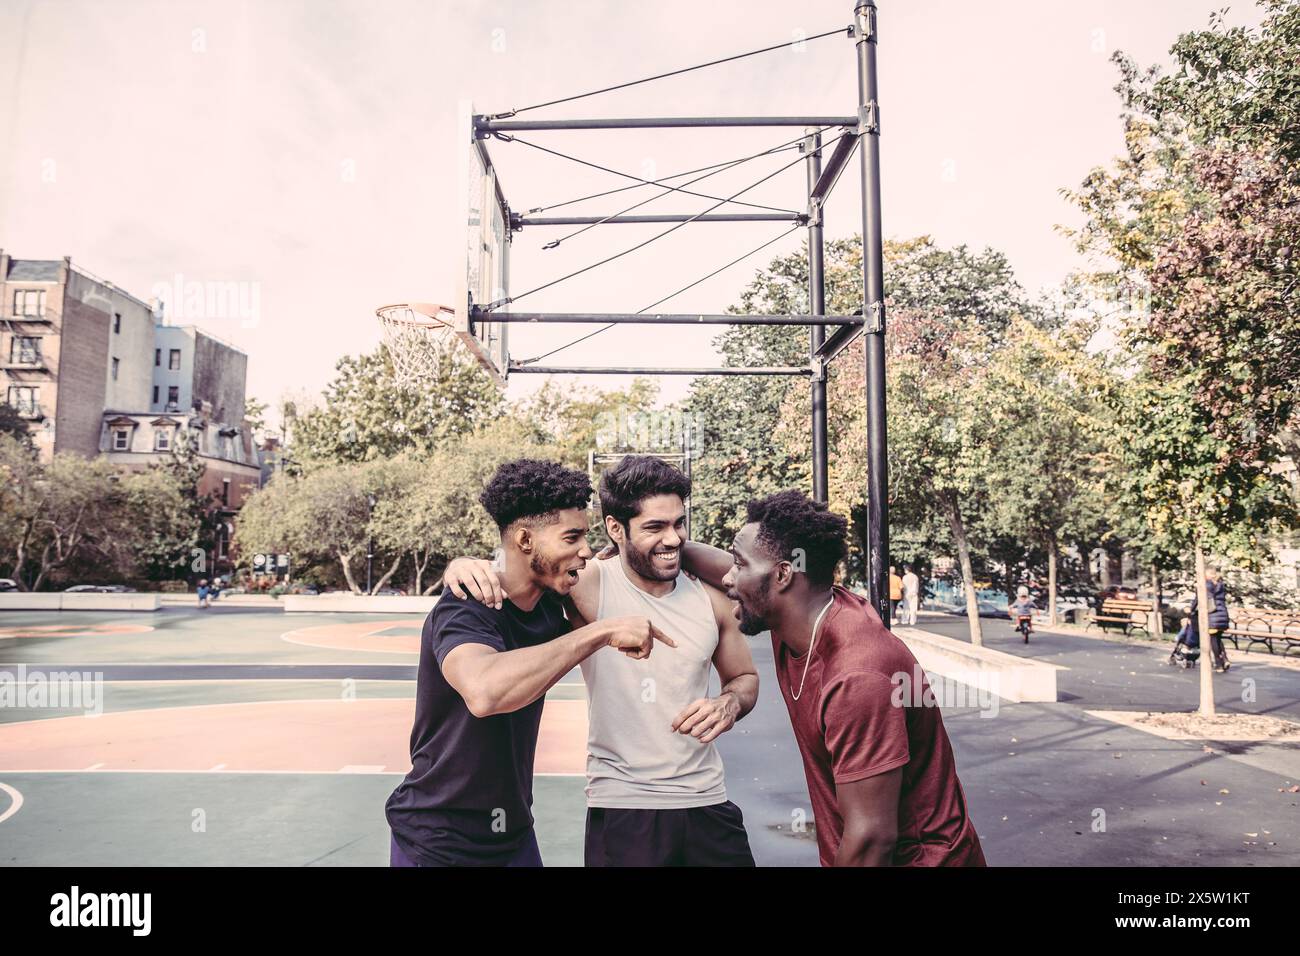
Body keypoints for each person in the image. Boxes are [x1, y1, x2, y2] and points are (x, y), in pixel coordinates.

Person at [443, 455, 759, 867]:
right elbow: (529, 563)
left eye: (679, 523)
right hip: (625, 804)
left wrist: (729, 702)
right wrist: (465, 564)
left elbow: (744, 676)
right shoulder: (583, 582)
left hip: (708, 801)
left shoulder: (711, 597)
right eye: (654, 527)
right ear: (615, 528)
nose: (673, 538)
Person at [385, 458, 672, 867]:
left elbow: (669, 553)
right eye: (571, 537)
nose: (585, 550)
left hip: (512, 834)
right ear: (524, 540)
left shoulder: (550, 600)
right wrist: (599, 632)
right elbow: (485, 693)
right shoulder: (466, 606)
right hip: (437, 838)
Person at [687, 491, 986, 867]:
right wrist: (661, 547)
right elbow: (722, 567)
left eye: (739, 565)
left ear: (781, 575)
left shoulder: (855, 675)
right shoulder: (799, 610)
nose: (728, 576)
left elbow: (871, 839)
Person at [1188, 566, 1231, 672]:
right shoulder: (1220, 584)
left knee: (1213, 640)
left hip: (1212, 616)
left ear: (1206, 575)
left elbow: (1198, 599)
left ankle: (1218, 664)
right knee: (1217, 638)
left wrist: (1191, 610)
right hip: (1222, 615)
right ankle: (1224, 658)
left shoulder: (1205, 585)